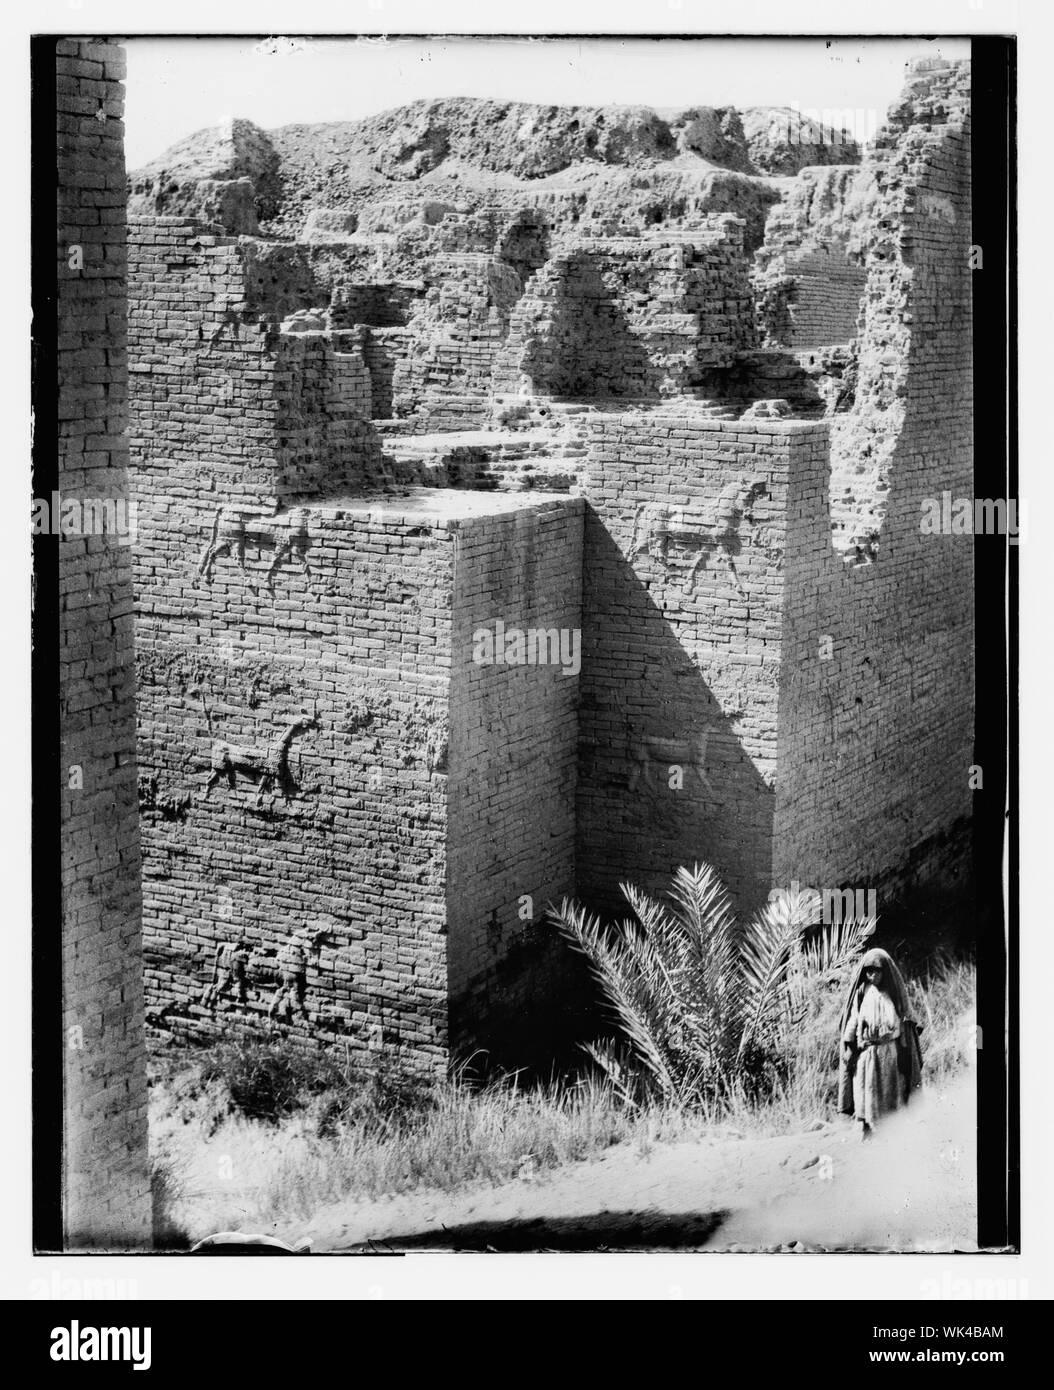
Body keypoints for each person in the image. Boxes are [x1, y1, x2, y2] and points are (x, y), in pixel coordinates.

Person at [838, 946, 923, 1138]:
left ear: (884, 972)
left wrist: (899, 1040)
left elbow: (903, 1018)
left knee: (888, 1087)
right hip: (867, 1049)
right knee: (865, 1087)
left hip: (888, 1051)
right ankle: (865, 1126)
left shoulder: (892, 993)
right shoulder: (862, 992)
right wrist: (848, 1042)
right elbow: (853, 1018)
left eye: (876, 971)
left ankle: (891, 1129)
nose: (872, 976)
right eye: (868, 972)